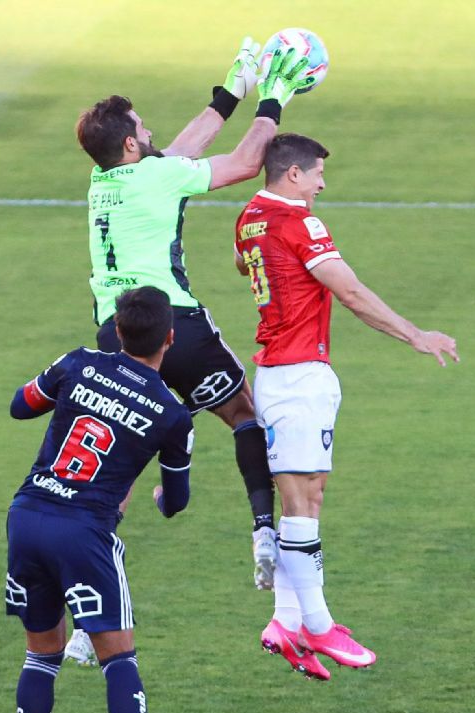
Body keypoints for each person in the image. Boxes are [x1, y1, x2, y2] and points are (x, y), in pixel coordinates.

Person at [68, 39, 316, 663]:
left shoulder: (106, 179)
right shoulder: (153, 173)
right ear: (128, 145)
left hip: (113, 338)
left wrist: (226, 90)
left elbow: (175, 154)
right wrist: (273, 98)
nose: (150, 133)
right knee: (245, 416)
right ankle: (264, 529)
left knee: (116, 473)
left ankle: (81, 620)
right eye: (140, 128)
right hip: (175, 328)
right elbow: (238, 163)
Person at [232, 133, 460, 680]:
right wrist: (414, 334)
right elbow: (350, 292)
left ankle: (286, 621)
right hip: (297, 373)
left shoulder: (249, 218)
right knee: (302, 503)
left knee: (308, 496)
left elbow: (247, 268)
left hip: (280, 372)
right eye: (315, 174)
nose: (321, 184)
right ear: (292, 174)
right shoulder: (300, 223)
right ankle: (316, 623)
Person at [4, 286, 195, 713]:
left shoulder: (77, 362)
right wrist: (161, 500)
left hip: (27, 515)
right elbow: (176, 500)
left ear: (116, 330)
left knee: (41, 655)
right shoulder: (172, 414)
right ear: (170, 338)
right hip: (84, 533)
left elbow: (21, 406)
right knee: (118, 658)